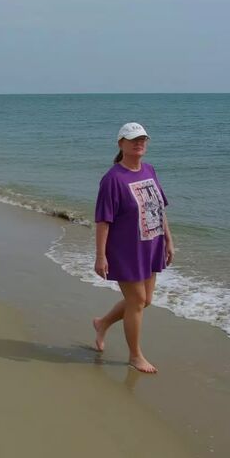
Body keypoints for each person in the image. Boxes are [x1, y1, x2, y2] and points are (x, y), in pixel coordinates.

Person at [92, 122, 174, 373]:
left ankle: (103, 322)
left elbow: (159, 208)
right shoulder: (112, 179)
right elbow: (103, 220)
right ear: (121, 144)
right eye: (133, 139)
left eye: (143, 139)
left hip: (151, 245)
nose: (139, 143)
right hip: (125, 250)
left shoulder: (149, 170)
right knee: (137, 300)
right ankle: (135, 355)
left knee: (144, 300)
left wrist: (169, 239)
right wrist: (100, 256)